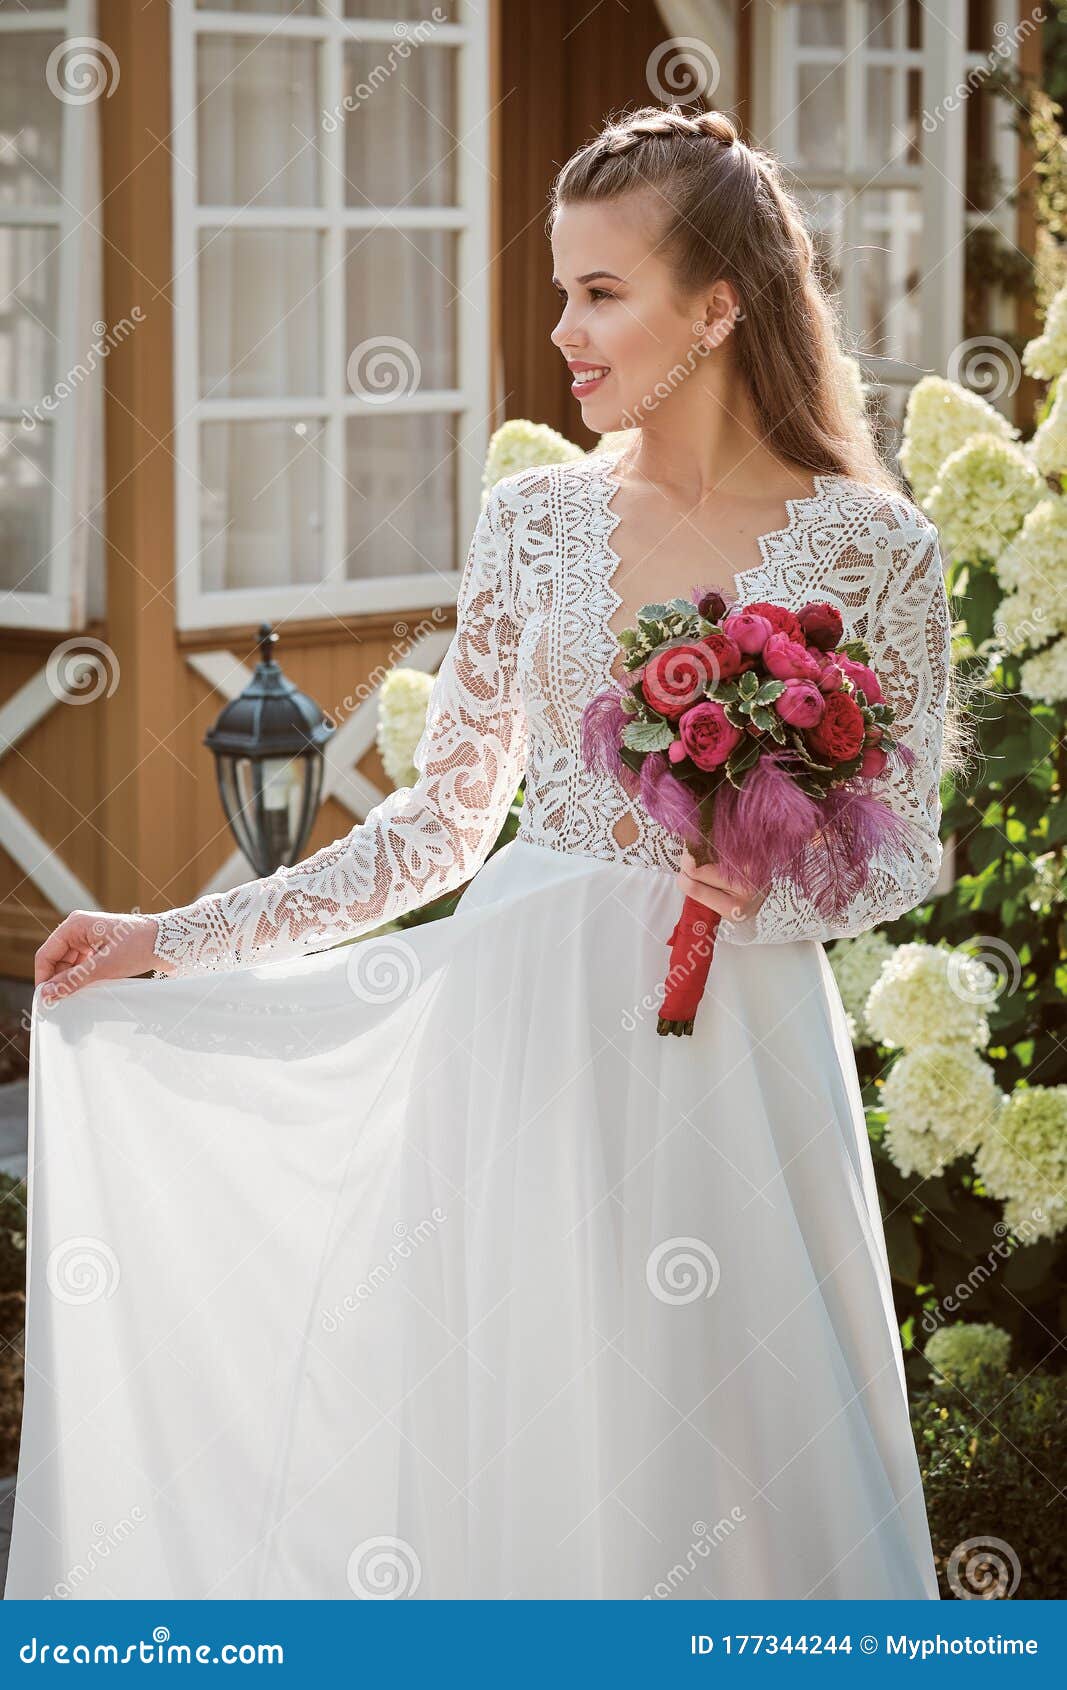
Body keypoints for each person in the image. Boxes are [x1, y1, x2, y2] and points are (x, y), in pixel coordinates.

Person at [9, 106, 956, 1601]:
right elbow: (433, 828)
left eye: (602, 292)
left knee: (745, 1446)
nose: (564, 330)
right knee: (526, 1426)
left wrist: (778, 885)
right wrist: (166, 937)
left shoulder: (875, 548)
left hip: (743, 1053)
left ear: (719, 307)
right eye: (560, 288)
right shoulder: (537, 524)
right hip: (522, 1045)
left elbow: (910, 853)